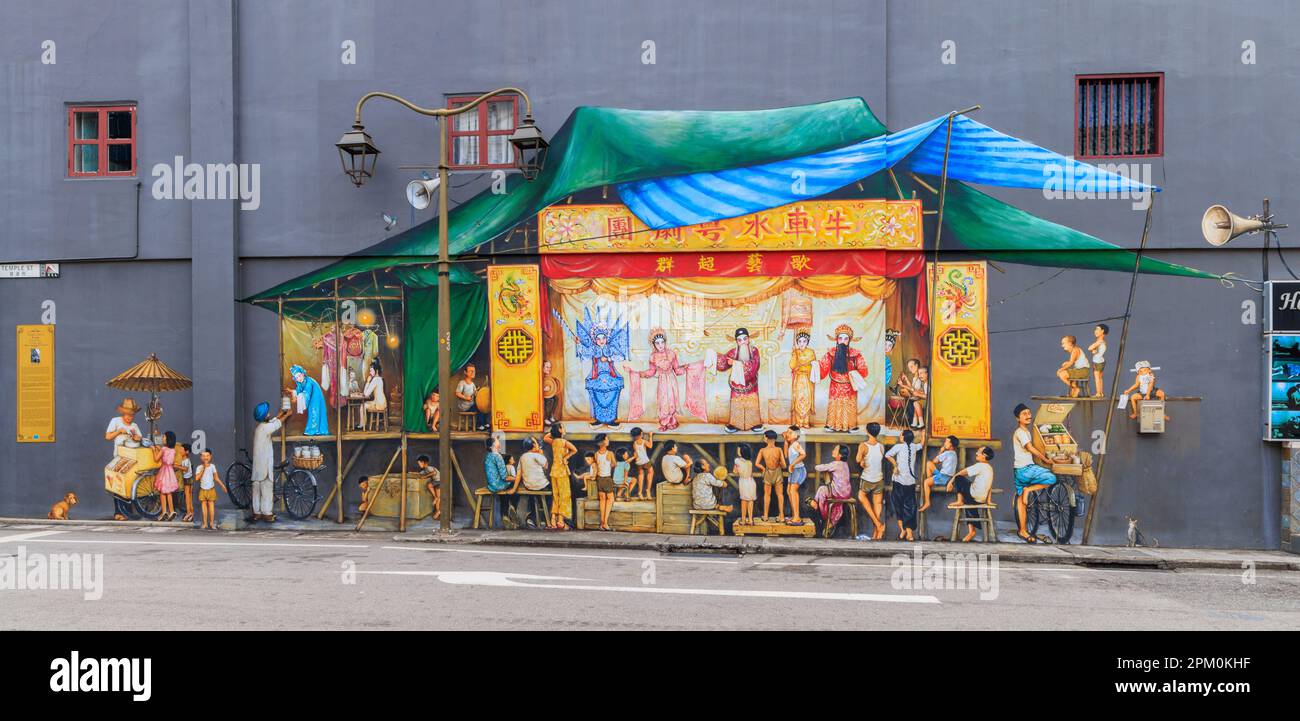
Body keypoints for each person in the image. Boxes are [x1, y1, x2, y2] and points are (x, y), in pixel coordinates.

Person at [1011, 403, 1058, 543]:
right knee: (1051, 477)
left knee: (1021, 501)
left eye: (1029, 413)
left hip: (1018, 470)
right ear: (1017, 418)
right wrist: (1045, 459)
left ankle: (1023, 531)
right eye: (1024, 414)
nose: (1028, 415)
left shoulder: (1026, 431)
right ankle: (1029, 490)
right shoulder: (1020, 432)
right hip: (1026, 469)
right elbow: (1030, 448)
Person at [627, 329, 691, 431]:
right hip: (662, 382)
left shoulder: (671, 354)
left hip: (671, 380)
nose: (660, 345)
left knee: (671, 400)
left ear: (665, 342)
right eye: (657, 343)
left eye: (662, 342)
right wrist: (637, 373)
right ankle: (664, 423)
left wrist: (687, 368)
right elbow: (651, 372)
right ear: (653, 344)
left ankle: (672, 421)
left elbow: (677, 370)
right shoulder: (653, 357)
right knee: (663, 401)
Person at [817, 324, 869, 432]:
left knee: (849, 404)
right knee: (834, 404)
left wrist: (854, 371)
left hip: (849, 385)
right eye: (840, 338)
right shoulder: (830, 354)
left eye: (845, 338)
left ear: (849, 340)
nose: (842, 341)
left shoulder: (856, 355)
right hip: (835, 384)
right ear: (836, 339)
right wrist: (815, 365)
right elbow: (823, 367)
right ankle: (831, 425)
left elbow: (863, 370)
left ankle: (850, 425)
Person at [250, 401, 292, 523]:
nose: (269, 413)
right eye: (268, 412)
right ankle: (267, 514)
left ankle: (256, 513)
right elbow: (276, 424)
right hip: (264, 467)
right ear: (265, 416)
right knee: (267, 490)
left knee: (256, 491)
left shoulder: (260, 428)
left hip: (257, 467)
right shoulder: (265, 428)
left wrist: (279, 414)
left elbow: (272, 422)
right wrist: (287, 415)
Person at [715, 327, 762, 433]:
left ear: (749, 339)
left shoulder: (754, 351)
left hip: (751, 383)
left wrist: (735, 363)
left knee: (751, 402)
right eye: (740, 340)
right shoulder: (733, 352)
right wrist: (715, 356)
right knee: (737, 404)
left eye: (745, 339)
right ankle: (735, 424)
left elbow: (755, 364)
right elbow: (724, 362)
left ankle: (754, 423)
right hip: (737, 385)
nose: (743, 342)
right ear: (736, 341)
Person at [105, 398, 145, 520]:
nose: (129, 417)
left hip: (132, 458)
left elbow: (140, 439)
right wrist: (119, 431)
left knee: (130, 484)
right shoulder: (115, 421)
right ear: (123, 413)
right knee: (117, 484)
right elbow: (107, 436)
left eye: (132, 415)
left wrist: (137, 438)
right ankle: (118, 513)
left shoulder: (135, 426)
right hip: (119, 457)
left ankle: (128, 511)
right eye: (128, 415)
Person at [948, 446, 995, 542]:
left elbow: (961, 473)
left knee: (958, 478)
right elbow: (989, 486)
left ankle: (959, 501)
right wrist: (988, 501)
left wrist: (950, 482)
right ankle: (972, 531)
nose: (976, 453)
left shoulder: (980, 465)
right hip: (981, 498)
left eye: (979, 452)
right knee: (969, 499)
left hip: (974, 494)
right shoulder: (990, 468)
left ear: (984, 455)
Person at [885, 429, 923, 541]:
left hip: (898, 482)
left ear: (903, 437)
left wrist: (895, 465)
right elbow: (923, 443)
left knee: (899, 507)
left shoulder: (898, 446)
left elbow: (887, 455)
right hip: (910, 483)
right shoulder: (915, 446)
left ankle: (906, 531)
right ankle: (907, 532)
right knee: (909, 508)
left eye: (900, 435)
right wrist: (924, 433)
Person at [809, 444, 853, 533]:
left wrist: (818, 467)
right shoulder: (845, 464)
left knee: (822, 489)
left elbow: (819, 468)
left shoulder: (836, 464)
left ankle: (818, 507)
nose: (833, 451)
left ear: (840, 455)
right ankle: (830, 519)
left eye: (835, 450)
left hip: (838, 492)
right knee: (825, 491)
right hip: (846, 493)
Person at [855, 422, 887, 539]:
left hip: (868, 478)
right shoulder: (881, 446)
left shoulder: (863, 445)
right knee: (877, 504)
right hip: (879, 478)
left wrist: (863, 460)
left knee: (861, 496)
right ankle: (876, 534)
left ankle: (878, 524)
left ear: (867, 431)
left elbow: (858, 459)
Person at [542, 423, 577, 530]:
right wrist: (566, 457)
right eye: (563, 427)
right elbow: (575, 450)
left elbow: (545, 437)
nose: (565, 429)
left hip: (554, 471)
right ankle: (560, 521)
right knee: (564, 495)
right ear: (560, 430)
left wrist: (553, 432)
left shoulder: (553, 442)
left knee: (556, 495)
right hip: (562, 471)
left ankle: (553, 520)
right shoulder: (564, 442)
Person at [919, 435, 960, 512]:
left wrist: (941, 451)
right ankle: (930, 482)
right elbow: (932, 463)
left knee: (926, 482)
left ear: (950, 445)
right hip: (946, 476)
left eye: (946, 442)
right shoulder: (954, 453)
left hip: (944, 477)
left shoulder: (947, 453)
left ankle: (927, 502)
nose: (944, 443)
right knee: (928, 463)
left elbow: (935, 460)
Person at [517, 438, 550, 527]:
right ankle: (545, 519)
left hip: (529, 485)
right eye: (536, 443)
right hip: (541, 485)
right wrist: (542, 454)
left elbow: (519, 472)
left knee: (532, 497)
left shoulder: (522, 457)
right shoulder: (537, 455)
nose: (538, 445)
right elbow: (546, 466)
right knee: (549, 495)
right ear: (534, 445)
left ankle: (532, 517)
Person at [754, 430, 786, 522]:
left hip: (768, 473)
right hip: (778, 473)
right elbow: (784, 465)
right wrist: (779, 463)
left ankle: (765, 515)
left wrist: (763, 468)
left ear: (767, 438)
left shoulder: (762, 450)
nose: (763, 438)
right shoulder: (779, 450)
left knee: (767, 495)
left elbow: (757, 463)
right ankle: (782, 516)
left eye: (764, 437)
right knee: (780, 495)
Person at [288, 364, 329, 435]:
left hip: (316, 396)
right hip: (311, 396)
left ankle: (313, 430)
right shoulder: (300, 383)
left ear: (303, 374)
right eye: (296, 377)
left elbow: (306, 392)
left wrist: (298, 396)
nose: (299, 378)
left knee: (314, 411)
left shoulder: (309, 382)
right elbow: (298, 390)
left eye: (299, 376)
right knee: (312, 411)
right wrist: (293, 392)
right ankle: (316, 430)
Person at [150, 430, 181, 521]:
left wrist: (153, 450)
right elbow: (168, 458)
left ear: (167, 439)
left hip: (163, 471)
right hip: (170, 472)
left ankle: (164, 512)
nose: (163, 438)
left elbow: (156, 459)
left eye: (164, 437)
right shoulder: (173, 450)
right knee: (169, 493)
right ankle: (171, 511)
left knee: (162, 492)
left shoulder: (163, 449)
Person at [789, 331, 817, 427]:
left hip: (807, 379)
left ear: (807, 342)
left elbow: (812, 366)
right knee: (798, 399)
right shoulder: (795, 352)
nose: (801, 344)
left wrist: (801, 365)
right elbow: (792, 365)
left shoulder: (811, 352)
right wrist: (794, 355)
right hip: (798, 379)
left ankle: (805, 421)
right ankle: (798, 422)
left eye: (804, 341)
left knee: (807, 399)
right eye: (799, 341)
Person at [195, 449, 226, 531]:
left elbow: (216, 478)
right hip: (203, 489)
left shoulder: (212, 466)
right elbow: (197, 478)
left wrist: (222, 486)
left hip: (211, 489)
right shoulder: (199, 467)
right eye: (204, 456)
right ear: (201, 457)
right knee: (204, 506)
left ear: (211, 457)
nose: (206, 457)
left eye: (207, 455)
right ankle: (205, 523)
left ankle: (212, 523)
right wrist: (203, 469)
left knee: (211, 506)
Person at [783, 426, 807, 525]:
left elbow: (803, 454)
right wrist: (785, 441)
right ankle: (794, 515)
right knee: (789, 491)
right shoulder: (791, 445)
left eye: (790, 433)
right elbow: (786, 456)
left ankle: (797, 517)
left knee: (793, 491)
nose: (788, 434)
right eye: (787, 432)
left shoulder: (796, 444)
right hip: (794, 471)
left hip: (798, 470)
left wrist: (792, 464)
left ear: (796, 435)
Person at [592, 434, 616, 531]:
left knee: (602, 500)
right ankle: (605, 522)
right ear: (603, 442)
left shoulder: (596, 454)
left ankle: (602, 522)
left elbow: (596, 468)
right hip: (607, 479)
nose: (608, 440)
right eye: (607, 439)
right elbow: (614, 464)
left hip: (599, 479)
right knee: (610, 499)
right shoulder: (609, 453)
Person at [456, 363, 489, 431]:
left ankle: (484, 423)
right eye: (470, 371)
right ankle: (480, 425)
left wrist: (477, 393)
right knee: (479, 408)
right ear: (465, 372)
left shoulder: (472, 384)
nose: (473, 373)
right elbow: (457, 393)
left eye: (474, 371)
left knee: (483, 406)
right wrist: (465, 397)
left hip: (471, 405)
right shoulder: (462, 383)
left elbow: (474, 394)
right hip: (464, 407)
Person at [733, 445, 756, 526]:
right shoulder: (750, 462)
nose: (737, 451)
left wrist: (737, 468)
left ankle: (743, 520)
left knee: (743, 501)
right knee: (750, 501)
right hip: (751, 481)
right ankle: (750, 520)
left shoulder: (737, 461)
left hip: (743, 482)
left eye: (739, 450)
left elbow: (735, 472)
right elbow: (749, 473)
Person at [630, 427, 654, 501]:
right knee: (651, 472)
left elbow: (636, 453)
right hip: (645, 461)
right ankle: (647, 491)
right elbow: (650, 446)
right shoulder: (643, 441)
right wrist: (650, 436)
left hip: (638, 462)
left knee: (641, 475)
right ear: (641, 434)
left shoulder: (634, 443)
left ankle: (640, 492)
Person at [360, 360, 386, 428]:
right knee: (366, 403)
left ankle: (363, 425)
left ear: (376, 371)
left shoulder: (375, 380)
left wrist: (368, 382)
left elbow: (366, 394)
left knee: (363, 405)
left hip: (379, 404)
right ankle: (363, 424)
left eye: (371, 370)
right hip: (382, 402)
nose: (370, 372)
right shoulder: (380, 379)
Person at [415, 454, 441, 521]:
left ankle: (435, 498)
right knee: (439, 498)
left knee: (429, 485)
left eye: (419, 463)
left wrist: (425, 477)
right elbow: (420, 474)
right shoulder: (425, 470)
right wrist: (413, 473)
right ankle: (438, 511)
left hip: (439, 481)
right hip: (438, 482)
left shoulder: (429, 468)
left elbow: (434, 472)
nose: (419, 465)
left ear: (424, 462)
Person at [1088, 324, 1109, 398]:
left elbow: (1089, 348)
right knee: (1100, 377)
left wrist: (1093, 350)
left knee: (1097, 377)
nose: (1095, 331)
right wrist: (1095, 351)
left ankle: (1098, 393)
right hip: (1101, 360)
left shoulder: (1100, 341)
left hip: (1097, 361)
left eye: (1097, 329)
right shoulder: (1102, 341)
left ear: (1102, 331)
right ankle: (1101, 392)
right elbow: (1098, 350)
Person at [176, 442, 195, 523]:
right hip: (186, 478)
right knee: (188, 496)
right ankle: (190, 513)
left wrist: (176, 466)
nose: (180, 451)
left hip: (188, 479)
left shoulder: (186, 460)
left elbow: (185, 469)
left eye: (182, 450)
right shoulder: (183, 460)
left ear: (186, 452)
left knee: (188, 496)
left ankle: (189, 513)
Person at [541, 359, 562, 425]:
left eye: (550, 367)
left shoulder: (546, 375)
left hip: (546, 395)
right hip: (539, 396)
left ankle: (550, 416)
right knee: (550, 400)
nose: (549, 369)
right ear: (542, 367)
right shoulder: (539, 375)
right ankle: (545, 418)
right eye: (547, 367)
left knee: (555, 398)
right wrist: (543, 389)